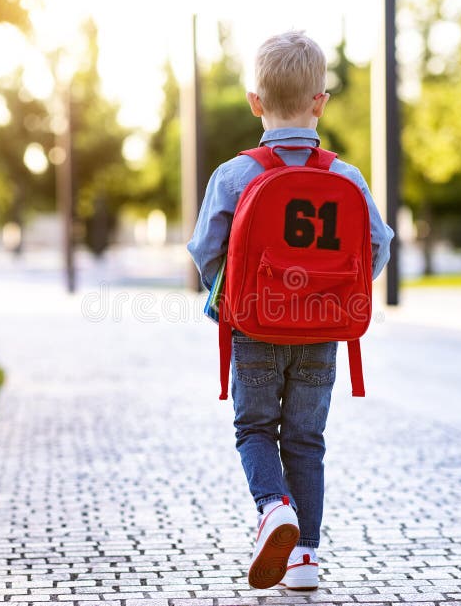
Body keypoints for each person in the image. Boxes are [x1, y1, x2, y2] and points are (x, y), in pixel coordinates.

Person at [187, 31, 394, 591]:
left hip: (255, 325)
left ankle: (273, 506)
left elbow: (206, 252)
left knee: (255, 427)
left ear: (256, 102)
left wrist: (231, 300)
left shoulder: (233, 176)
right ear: (320, 101)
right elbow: (377, 247)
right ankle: (304, 558)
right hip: (323, 331)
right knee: (306, 437)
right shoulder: (344, 177)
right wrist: (334, 298)